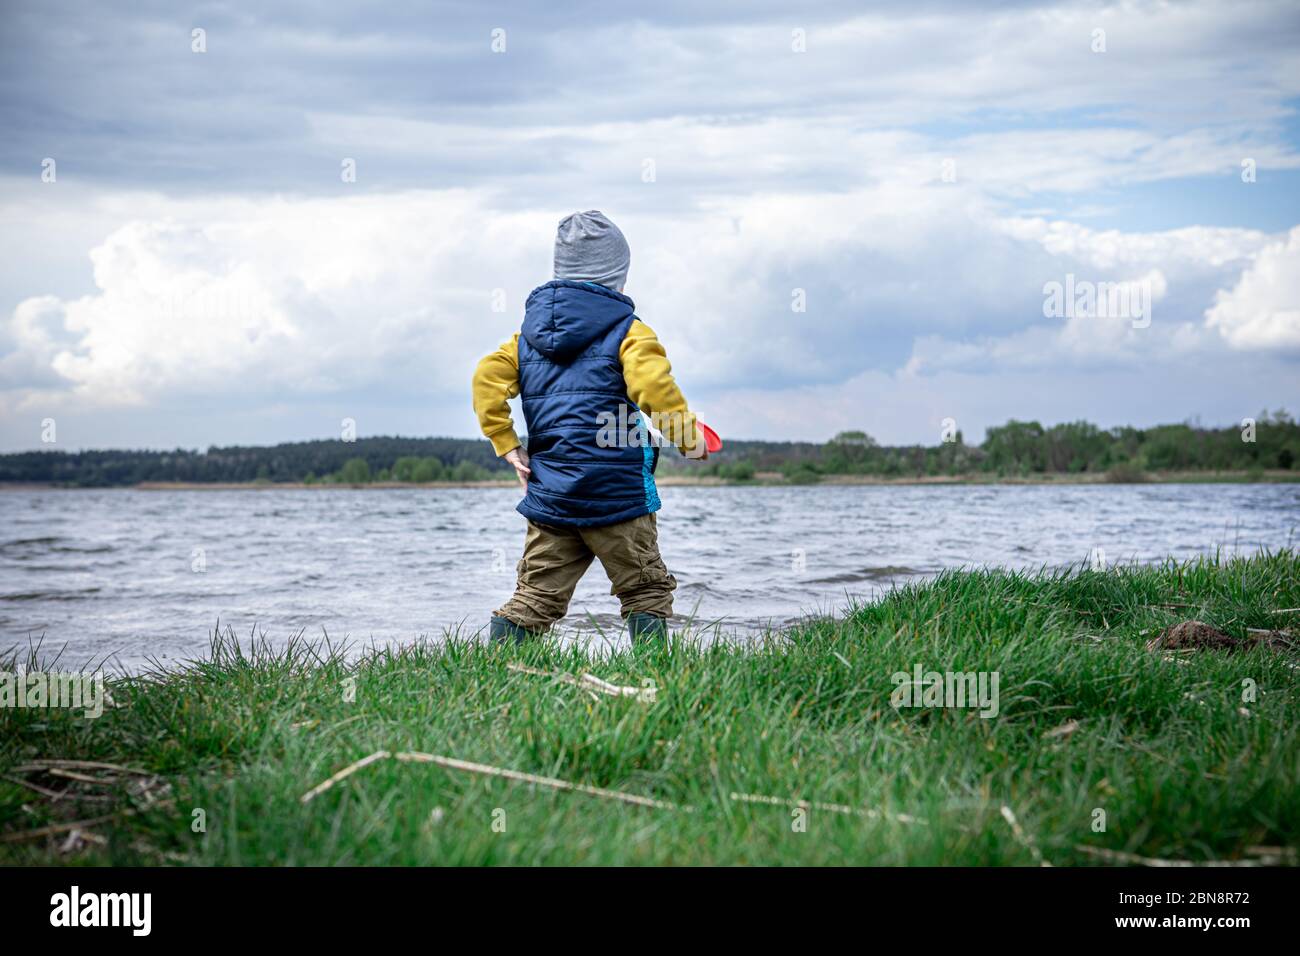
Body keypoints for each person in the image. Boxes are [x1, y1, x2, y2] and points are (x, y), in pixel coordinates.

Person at [472, 210, 705, 644]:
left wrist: (506, 444)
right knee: (645, 589)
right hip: (617, 495)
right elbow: (652, 384)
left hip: (553, 494)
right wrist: (687, 437)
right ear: (618, 276)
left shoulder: (523, 340)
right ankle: (657, 676)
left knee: (535, 595)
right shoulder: (629, 331)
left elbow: (486, 380)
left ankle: (497, 670)